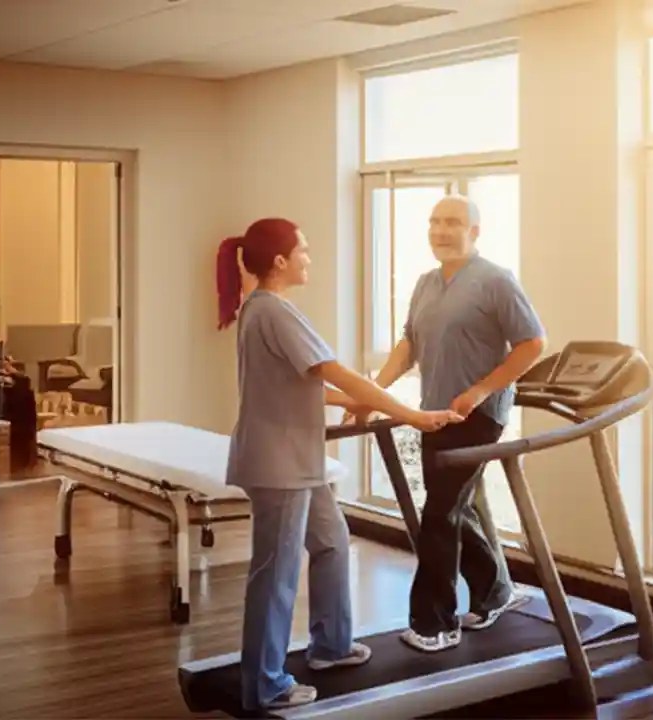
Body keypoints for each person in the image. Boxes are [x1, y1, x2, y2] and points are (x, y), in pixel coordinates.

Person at [217, 217, 463, 710]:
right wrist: (413, 414)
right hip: (279, 464)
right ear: (281, 261)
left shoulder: (264, 311)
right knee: (276, 573)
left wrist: (356, 404)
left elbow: (301, 384)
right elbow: (340, 374)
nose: (310, 257)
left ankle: (331, 645)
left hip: (298, 458)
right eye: (303, 250)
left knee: (332, 542)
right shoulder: (275, 312)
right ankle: (264, 685)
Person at [351, 195, 546, 652]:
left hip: (477, 416)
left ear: (474, 231)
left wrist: (481, 390)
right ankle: (496, 590)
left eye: (453, 222)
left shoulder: (496, 281)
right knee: (458, 507)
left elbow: (532, 343)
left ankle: (435, 623)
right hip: (434, 414)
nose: (441, 230)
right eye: (434, 222)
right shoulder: (426, 283)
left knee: (438, 515)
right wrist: (371, 394)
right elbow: (409, 343)